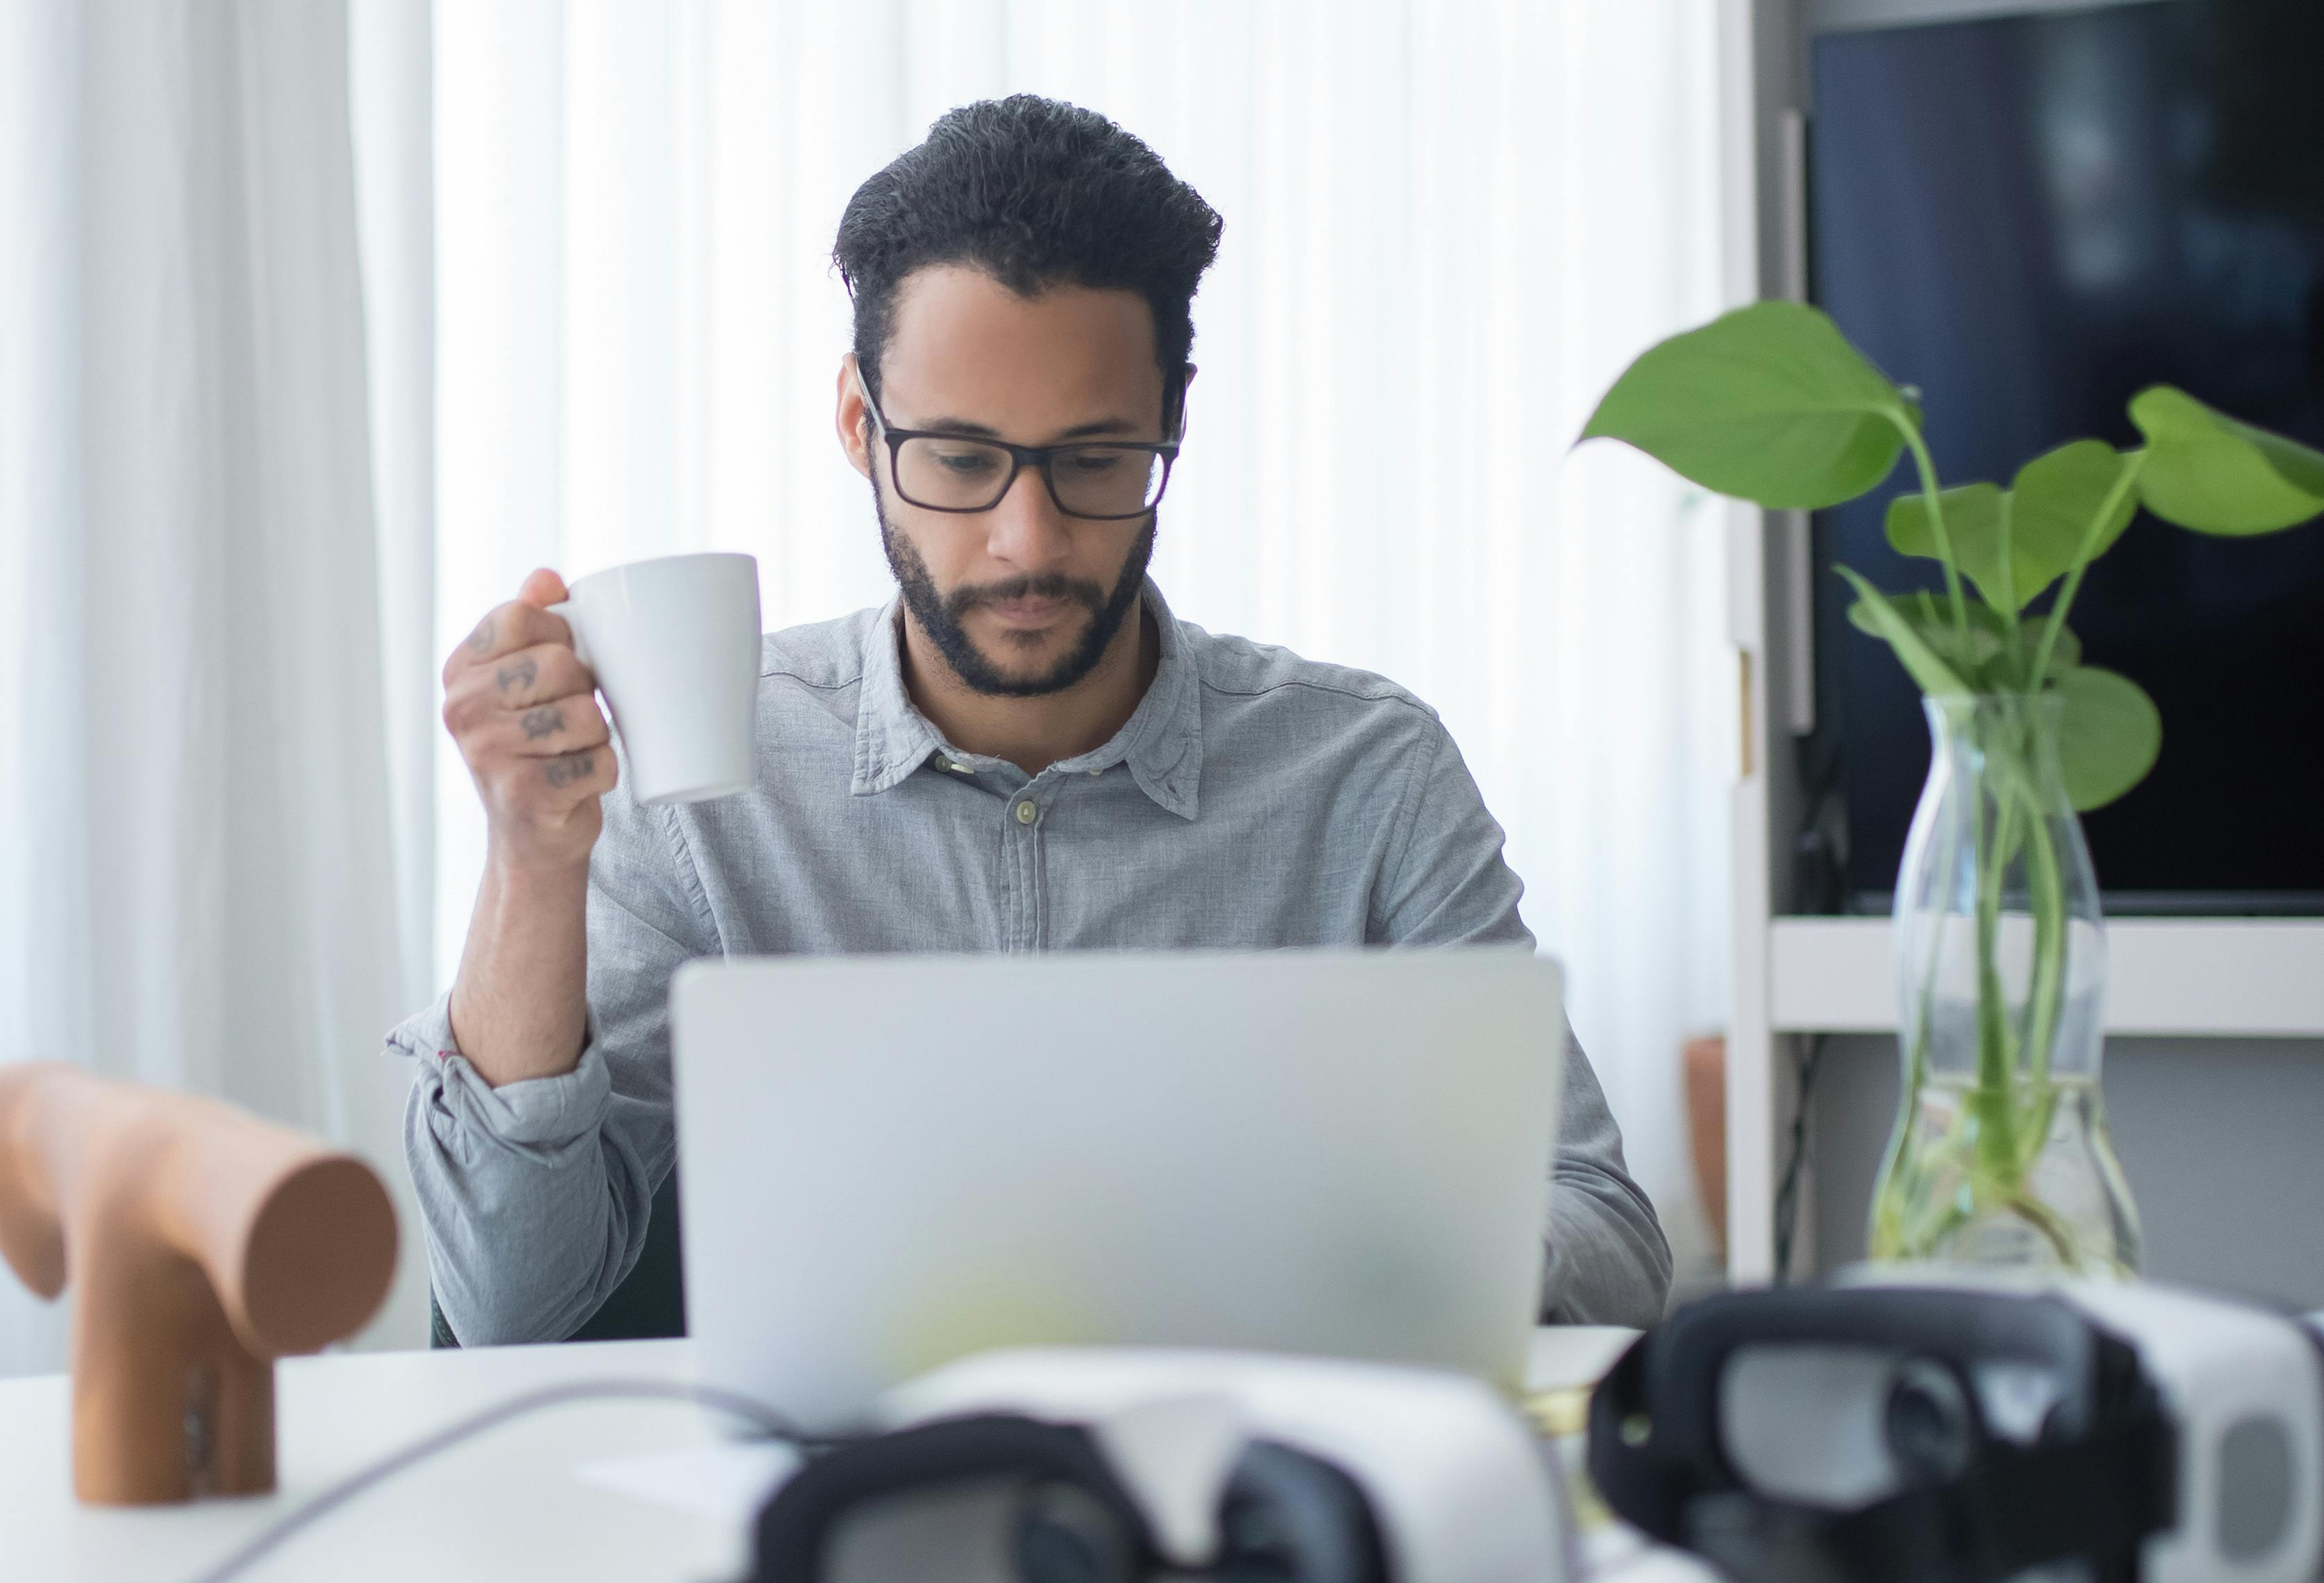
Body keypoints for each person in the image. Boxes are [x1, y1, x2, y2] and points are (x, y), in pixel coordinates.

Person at [395, 95, 1669, 1341]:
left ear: (1174, 418)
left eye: (1095, 460)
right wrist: (529, 863)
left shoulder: (1364, 779)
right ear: (858, 423)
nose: (1029, 541)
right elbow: (513, 1306)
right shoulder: (694, 793)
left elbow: (1600, 1228)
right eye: (957, 460)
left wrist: (1344, 1266)